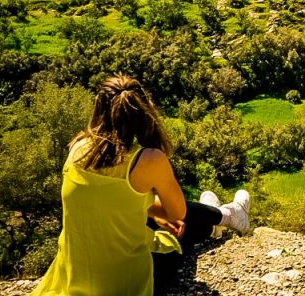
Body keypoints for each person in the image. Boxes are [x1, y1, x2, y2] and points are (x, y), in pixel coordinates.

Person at [32, 75, 251, 296]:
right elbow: (178, 213)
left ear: (98, 109)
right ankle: (223, 217)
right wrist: (160, 213)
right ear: (144, 113)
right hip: (124, 282)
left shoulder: (78, 148)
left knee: (156, 217)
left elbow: (110, 199)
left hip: (72, 275)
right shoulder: (148, 159)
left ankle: (220, 219)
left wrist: (155, 214)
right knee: (178, 231)